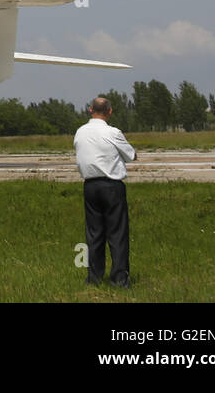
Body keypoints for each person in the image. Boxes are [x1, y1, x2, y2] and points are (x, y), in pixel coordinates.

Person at [73, 96, 136, 287]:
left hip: (90, 185)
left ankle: (94, 277)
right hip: (111, 185)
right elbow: (131, 155)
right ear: (109, 111)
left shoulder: (80, 132)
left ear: (90, 110)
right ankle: (119, 278)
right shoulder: (113, 132)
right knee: (117, 233)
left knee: (94, 233)